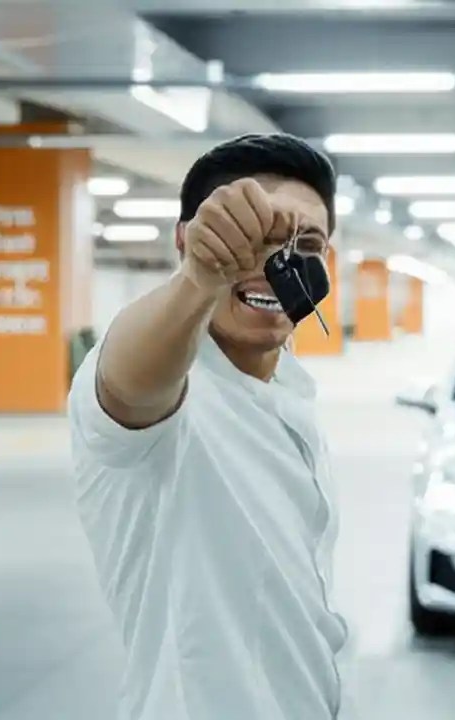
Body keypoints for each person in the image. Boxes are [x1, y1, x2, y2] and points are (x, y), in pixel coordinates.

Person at [68, 133, 347, 719]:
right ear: (185, 239)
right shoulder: (167, 391)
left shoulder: (290, 388)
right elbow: (130, 386)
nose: (273, 267)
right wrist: (200, 277)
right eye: (251, 242)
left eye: (305, 243)